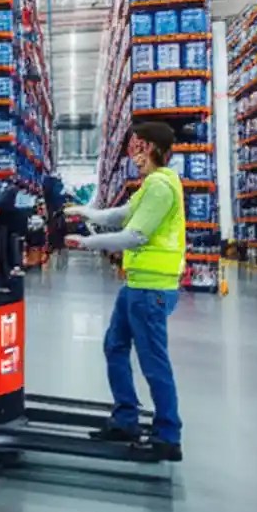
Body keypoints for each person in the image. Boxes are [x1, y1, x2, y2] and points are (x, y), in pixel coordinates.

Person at [64, 121, 185, 462]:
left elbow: (135, 236)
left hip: (152, 289)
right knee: (114, 345)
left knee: (153, 362)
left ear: (153, 149)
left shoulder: (162, 186)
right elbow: (122, 214)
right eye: (134, 147)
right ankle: (126, 419)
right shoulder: (151, 185)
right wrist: (87, 211)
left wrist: (87, 243)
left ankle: (167, 435)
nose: (135, 155)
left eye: (140, 147)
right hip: (136, 285)